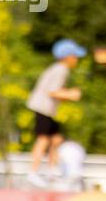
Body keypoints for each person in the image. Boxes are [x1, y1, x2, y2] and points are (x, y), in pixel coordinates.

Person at [25, 39, 85, 187]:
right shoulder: (61, 70)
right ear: (67, 57)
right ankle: (33, 172)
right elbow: (52, 92)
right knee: (43, 139)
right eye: (75, 56)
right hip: (43, 108)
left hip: (48, 110)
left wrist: (67, 95)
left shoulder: (58, 69)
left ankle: (51, 171)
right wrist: (70, 94)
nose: (76, 59)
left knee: (56, 139)